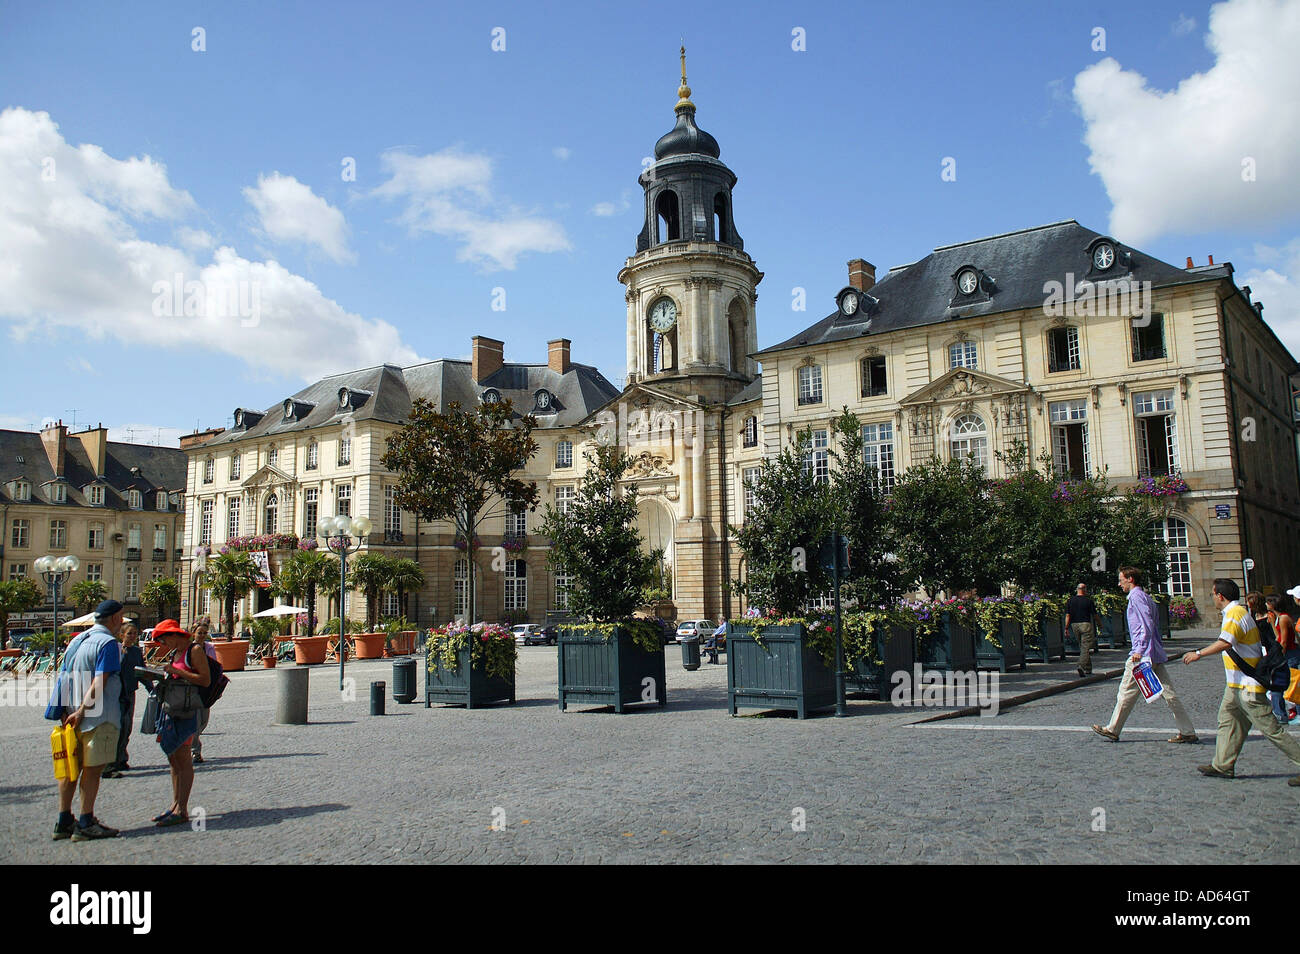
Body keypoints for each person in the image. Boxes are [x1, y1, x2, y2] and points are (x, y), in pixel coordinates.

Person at [1182, 578, 1300, 784]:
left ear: (1220, 596)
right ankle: (1223, 765)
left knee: (1271, 729)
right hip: (1236, 684)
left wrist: (1198, 653)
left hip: (1247, 686)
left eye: (1212, 594)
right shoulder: (1236, 613)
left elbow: (1225, 642)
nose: (1212, 597)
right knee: (1227, 722)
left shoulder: (1235, 614)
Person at [1091, 566, 1197, 743]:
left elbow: (1145, 624)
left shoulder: (1136, 597)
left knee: (1126, 691)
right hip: (1153, 653)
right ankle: (1187, 731)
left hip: (1143, 655)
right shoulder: (1146, 597)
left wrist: (1139, 650)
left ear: (1130, 579)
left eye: (1121, 579)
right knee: (1169, 694)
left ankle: (1113, 729)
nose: (1119, 583)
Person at [52, 599, 125, 841]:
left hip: (70, 717)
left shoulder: (77, 640)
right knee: (92, 770)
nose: (122, 623)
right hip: (98, 718)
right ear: (114, 619)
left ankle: (64, 820)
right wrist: (84, 709)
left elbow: (63, 676)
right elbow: (100, 680)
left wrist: (65, 710)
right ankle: (85, 821)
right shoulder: (108, 643)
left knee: (71, 769)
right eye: (121, 618)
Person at [151, 619, 210, 826]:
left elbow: (204, 679)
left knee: (183, 760)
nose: (163, 645)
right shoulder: (176, 652)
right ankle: (174, 805)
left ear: (174, 635)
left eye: (164, 640)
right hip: (172, 709)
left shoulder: (194, 651)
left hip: (187, 712)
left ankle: (183, 809)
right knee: (173, 759)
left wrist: (179, 672)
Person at [102, 621, 147, 778]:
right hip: (117, 694)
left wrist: (151, 688)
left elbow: (142, 671)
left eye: (134, 633)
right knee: (117, 727)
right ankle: (110, 762)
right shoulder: (116, 650)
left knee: (127, 726)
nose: (132, 636)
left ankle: (121, 758)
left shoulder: (136, 651)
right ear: (121, 635)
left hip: (130, 692)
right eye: (129, 633)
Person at [1264, 594, 1299, 724]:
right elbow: (1277, 637)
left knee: (1292, 682)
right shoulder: (1279, 618)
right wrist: (1273, 623)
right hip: (1288, 652)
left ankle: (1292, 713)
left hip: (1290, 653)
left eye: (1268, 602)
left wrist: (1279, 656)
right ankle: (1284, 712)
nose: (1266, 605)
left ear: (1273, 604)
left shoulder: (1284, 618)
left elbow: (1283, 641)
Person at [190, 618, 217, 764]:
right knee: (195, 721)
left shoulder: (209, 648)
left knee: (204, 721)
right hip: (192, 688)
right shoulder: (189, 649)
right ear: (193, 633)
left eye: (204, 633)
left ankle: (192, 738)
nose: (202, 635)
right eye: (199, 632)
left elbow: (216, 666)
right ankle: (196, 751)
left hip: (206, 688)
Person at [1065, 583, 1100, 677]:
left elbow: (1068, 615)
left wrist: (1066, 627)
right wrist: (1099, 624)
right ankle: (1081, 665)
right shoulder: (1088, 601)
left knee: (1083, 646)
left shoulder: (1070, 601)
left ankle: (1088, 668)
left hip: (1074, 625)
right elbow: (1095, 615)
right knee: (1086, 646)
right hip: (1086, 624)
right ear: (1084, 589)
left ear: (1077, 589)